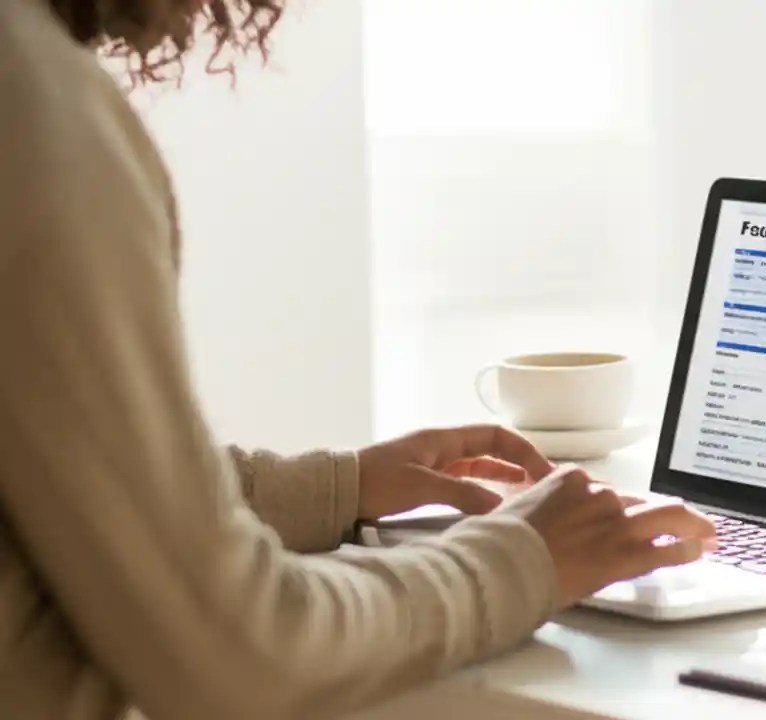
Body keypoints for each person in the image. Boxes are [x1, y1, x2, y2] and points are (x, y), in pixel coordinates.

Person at [0, 1, 717, 718]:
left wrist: (336, 488)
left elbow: (60, 469)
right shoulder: (37, 106)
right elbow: (241, 649)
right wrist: (521, 559)